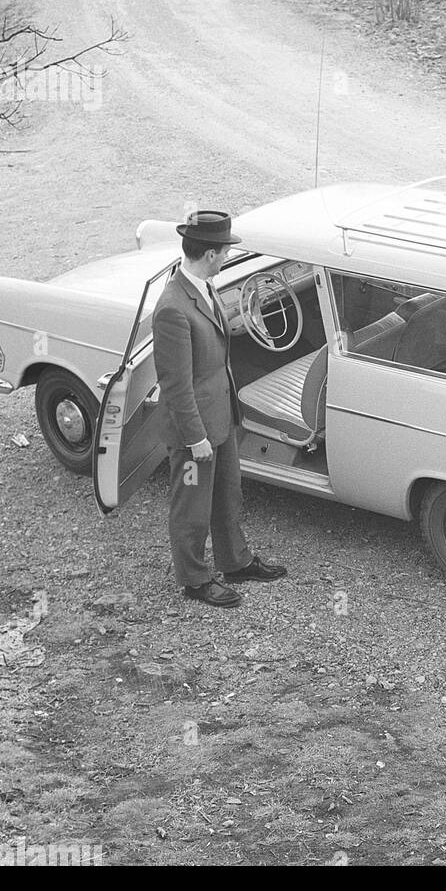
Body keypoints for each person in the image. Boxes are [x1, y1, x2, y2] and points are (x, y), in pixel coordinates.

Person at [154, 210, 286, 607]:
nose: (228, 255)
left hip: (220, 417)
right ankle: (194, 579)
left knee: (228, 495)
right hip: (194, 429)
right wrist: (195, 438)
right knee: (192, 506)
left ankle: (235, 561)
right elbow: (176, 385)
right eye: (225, 249)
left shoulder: (203, 287)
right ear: (211, 254)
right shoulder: (173, 308)